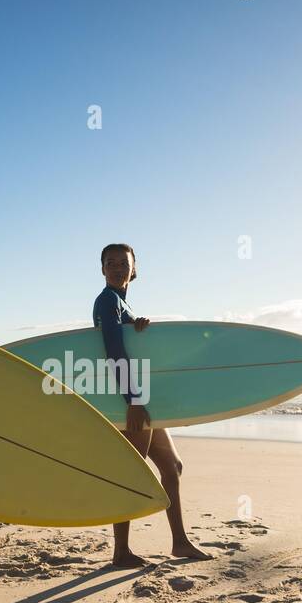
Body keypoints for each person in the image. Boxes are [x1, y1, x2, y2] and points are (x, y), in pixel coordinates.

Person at [94, 243, 210, 567]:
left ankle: (180, 542)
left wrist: (137, 324)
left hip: (142, 397)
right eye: (110, 263)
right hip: (131, 399)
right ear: (102, 270)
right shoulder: (106, 301)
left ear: (135, 269)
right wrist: (132, 401)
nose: (117, 267)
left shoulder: (120, 303)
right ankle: (121, 551)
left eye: (123, 263)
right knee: (132, 472)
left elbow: (128, 341)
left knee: (172, 467)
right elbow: (114, 351)